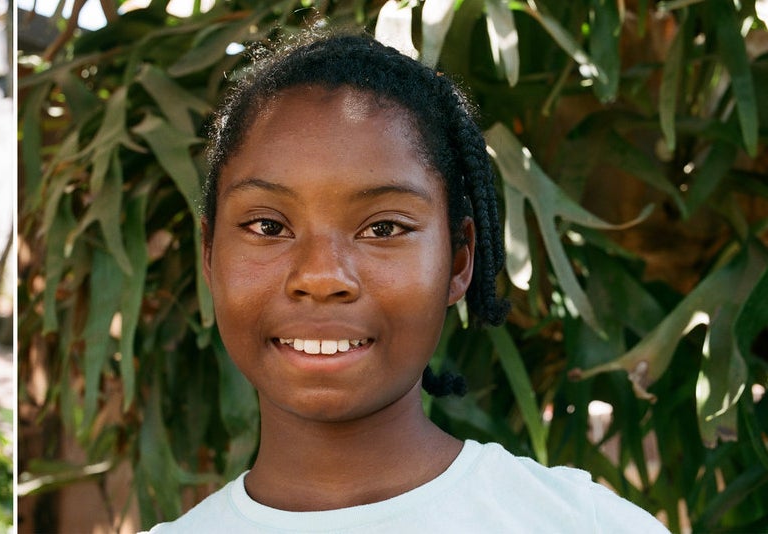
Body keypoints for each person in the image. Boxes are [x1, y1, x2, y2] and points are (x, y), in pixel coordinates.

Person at [145, 32, 666, 532]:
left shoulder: (579, 525)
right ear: (209, 255)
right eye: (268, 226)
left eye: (383, 228)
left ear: (458, 261)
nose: (321, 277)